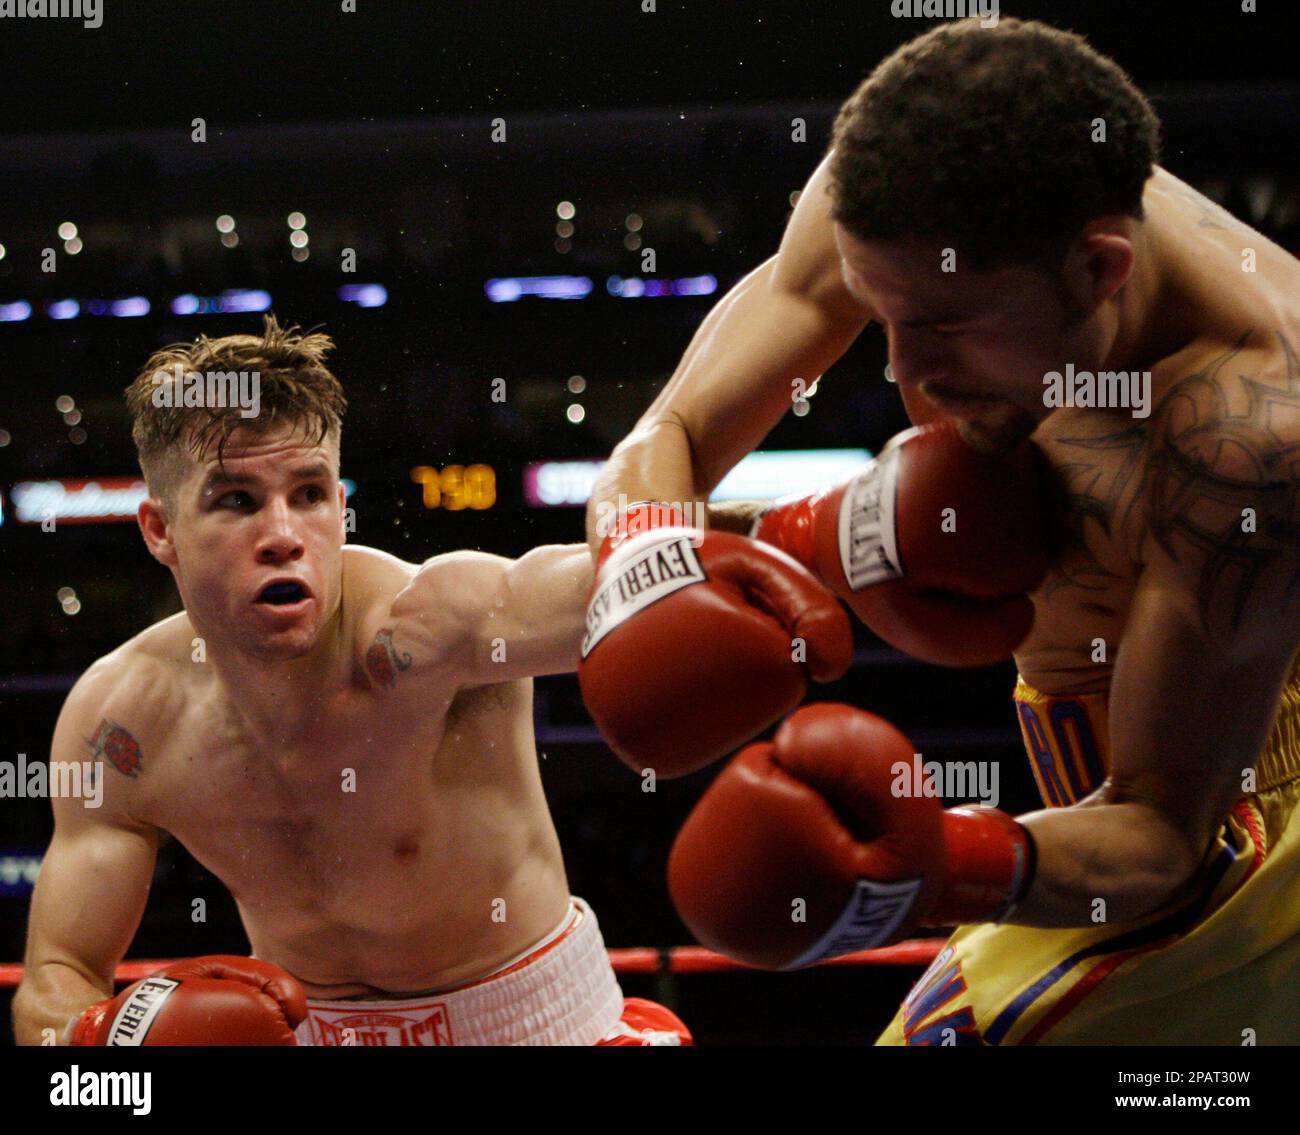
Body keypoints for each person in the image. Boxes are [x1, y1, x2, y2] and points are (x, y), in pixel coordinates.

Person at [583, 17, 1300, 1044]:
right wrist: (643, 565)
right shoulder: (910, 167)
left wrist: (926, 864)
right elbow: (671, 434)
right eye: (881, 313)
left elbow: (1156, 831)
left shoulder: (1246, 431)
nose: (901, 373)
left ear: (1100, 269)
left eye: (947, 326)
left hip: (1229, 836)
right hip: (1093, 796)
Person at [12, 316, 692, 1046]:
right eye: (235, 499)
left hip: (543, 1029)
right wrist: (108, 1044)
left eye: (308, 493)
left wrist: (817, 535)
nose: (282, 533)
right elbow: (56, 982)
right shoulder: (122, 724)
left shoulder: (436, 627)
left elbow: (641, 574)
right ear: (159, 529)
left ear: (341, 508)